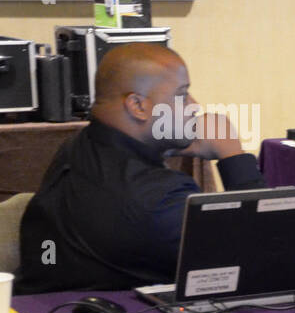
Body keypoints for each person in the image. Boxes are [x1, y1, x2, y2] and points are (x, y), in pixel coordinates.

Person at [16, 43, 266, 294]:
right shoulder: (158, 198)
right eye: (182, 95)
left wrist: (162, 148)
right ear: (137, 106)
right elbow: (264, 256)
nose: (195, 106)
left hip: (43, 309)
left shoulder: (77, 146)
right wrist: (233, 155)